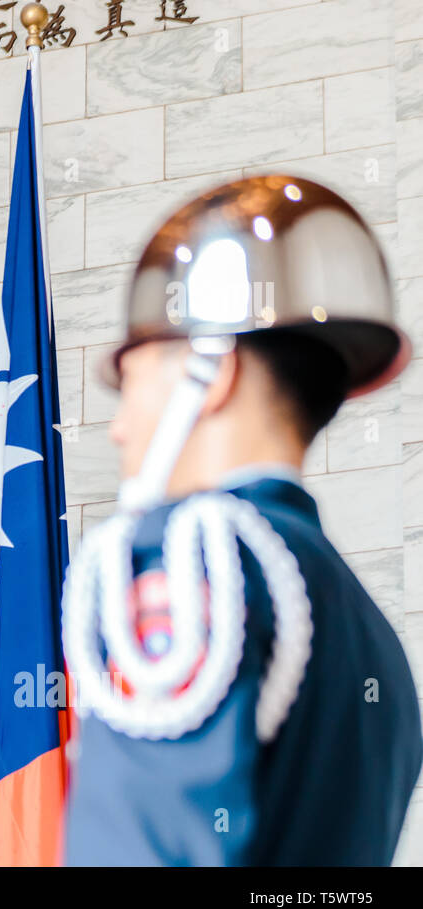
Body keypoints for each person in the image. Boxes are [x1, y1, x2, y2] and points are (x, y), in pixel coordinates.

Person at [62, 175, 422, 865]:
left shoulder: (198, 564)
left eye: (134, 385)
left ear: (213, 373)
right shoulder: (373, 637)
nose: (117, 428)